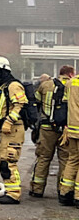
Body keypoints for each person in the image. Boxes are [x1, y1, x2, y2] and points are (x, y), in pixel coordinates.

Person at [0, 55, 27, 204]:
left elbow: (20, 104)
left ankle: (14, 194)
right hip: (3, 130)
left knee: (8, 161)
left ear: (3, 71)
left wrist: (9, 120)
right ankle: (10, 191)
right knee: (3, 160)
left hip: (13, 130)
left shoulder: (13, 86)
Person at [31, 67, 72, 198]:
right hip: (65, 129)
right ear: (70, 74)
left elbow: (36, 101)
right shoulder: (72, 85)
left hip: (47, 127)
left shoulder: (46, 84)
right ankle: (63, 190)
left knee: (43, 157)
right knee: (65, 160)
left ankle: (37, 189)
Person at [58, 71, 79, 207]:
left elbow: (65, 102)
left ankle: (65, 193)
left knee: (72, 159)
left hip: (71, 128)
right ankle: (78, 196)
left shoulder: (71, 82)